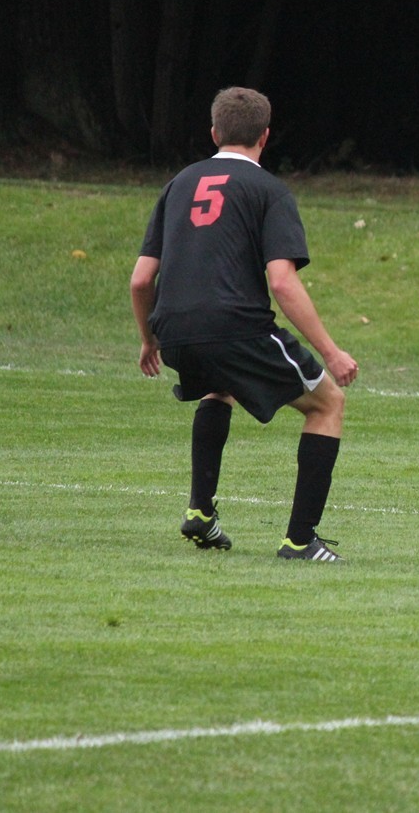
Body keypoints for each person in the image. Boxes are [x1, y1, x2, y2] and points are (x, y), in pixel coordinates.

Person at [130, 87, 359, 562]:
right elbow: (283, 282)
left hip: (174, 330)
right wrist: (332, 352)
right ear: (266, 136)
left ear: (214, 133)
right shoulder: (268, 190)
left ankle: (200, 512)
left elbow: (140, 280)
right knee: (327, 404)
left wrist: (149, 339)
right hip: (234, 326)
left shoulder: (179, 183)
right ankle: (301, 541)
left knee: (220, 385)